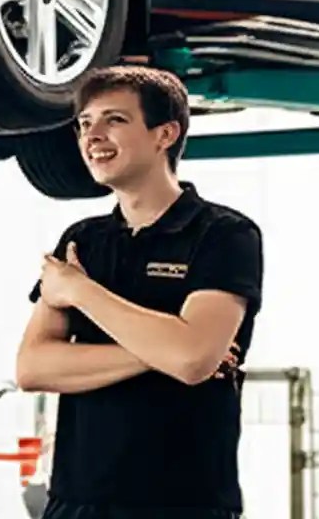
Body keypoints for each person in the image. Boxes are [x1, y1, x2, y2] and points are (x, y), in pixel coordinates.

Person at [15, 65, 263, 519]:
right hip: (75, 503)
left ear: (164, 134)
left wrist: (81, 291)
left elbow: (190, 361)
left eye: (115, 120)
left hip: (183, 505)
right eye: (85, 123)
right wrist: (164, 350)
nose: (93, 136)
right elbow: (33, 367)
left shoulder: (224, 234)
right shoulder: (82, 239)